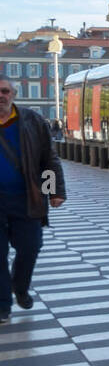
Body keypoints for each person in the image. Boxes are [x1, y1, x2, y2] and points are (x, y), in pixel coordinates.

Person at [0, 76, 66, 323]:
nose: (1, 96)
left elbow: (48, 159)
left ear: (14, 94)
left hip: (26, 199)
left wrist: (53, 191)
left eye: (5, 91)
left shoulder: (32, 121)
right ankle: (2, 305)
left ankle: (20, 286)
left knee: (30, 248)